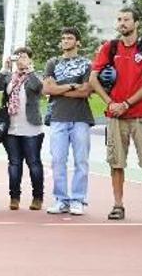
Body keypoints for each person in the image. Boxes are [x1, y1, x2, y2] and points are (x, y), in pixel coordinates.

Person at [90, 7, 142, 223]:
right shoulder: (109, 47)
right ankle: (118, 205)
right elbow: (93, 80)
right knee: (116, 162)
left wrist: (125, 103)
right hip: (115, 116)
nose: (122, 23)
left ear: (136, 23)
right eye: (119, 19)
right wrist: (111, 103)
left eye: (126, 19)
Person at [42, 27, 94, 216]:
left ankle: (78, 199)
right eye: (63, 38)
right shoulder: (52, 62)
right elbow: (47, 89)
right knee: (57, 161)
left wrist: (60, 88)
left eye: (69, 38)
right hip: (57, 118)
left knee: (81, 161)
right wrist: (72, 85)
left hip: (81, 118)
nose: (65, 41)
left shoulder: (87, 64)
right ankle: (61, 199)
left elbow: (86, 91)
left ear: (77, 42)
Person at [0, 47, 44, 211]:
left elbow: (39, 88)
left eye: (24, 57)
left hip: (31, 128)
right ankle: (14, 197)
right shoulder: (10, 76)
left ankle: (37, 197)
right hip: (11, 128)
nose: (21, 60)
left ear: (30, 59)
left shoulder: (34, 76)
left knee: (34, 163)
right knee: (14, 163)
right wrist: (4, 69)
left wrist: (29, 70)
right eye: (18, 57)